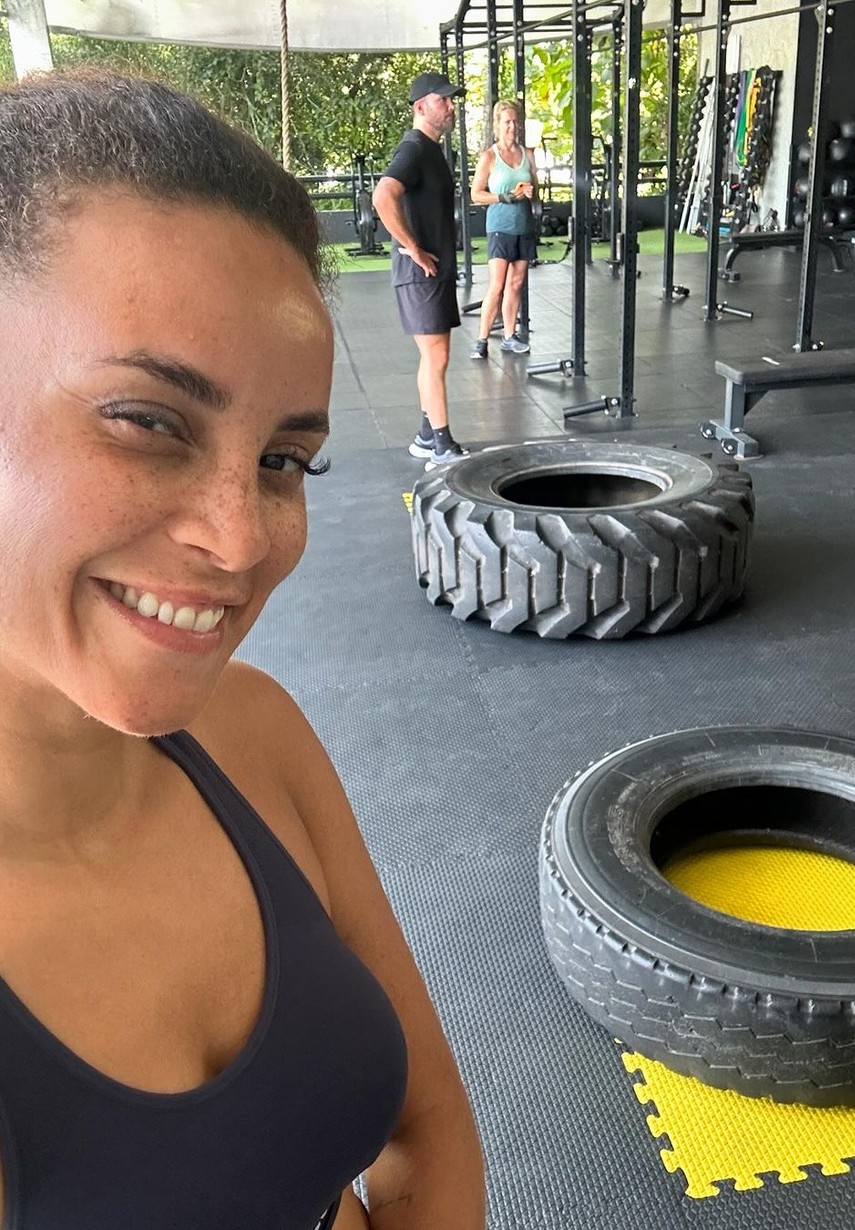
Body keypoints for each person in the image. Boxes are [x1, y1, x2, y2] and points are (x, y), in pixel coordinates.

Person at [0, 71, 485, 1230]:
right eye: (149, 420)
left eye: (284, 459)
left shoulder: (255, 733)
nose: (239, 538)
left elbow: (430, 1127)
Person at [372, 72, 469, 467]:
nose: (451, 106)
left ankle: (427, 436)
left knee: (434, 356)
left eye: (451, 100)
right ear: (420, 107)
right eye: (443, 100)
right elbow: (383, 196)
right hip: (420, 272)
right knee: (436, 355)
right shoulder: (413, 148)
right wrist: (412, 247)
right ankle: (443, 445)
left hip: (434, 269)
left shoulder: (431, 151)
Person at [468, 100, 538, 359]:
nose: (512, 126)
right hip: (500, 227)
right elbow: (476, 194)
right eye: (507, 122)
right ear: (497, 125)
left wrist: (529, 193)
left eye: (515, 121)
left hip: (524, 226)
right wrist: (503, 197)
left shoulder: (527, 155)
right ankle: (481, 340)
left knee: (516, 283)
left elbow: (536, 191)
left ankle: (509, 336)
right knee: (497, 285)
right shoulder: (489, 156)